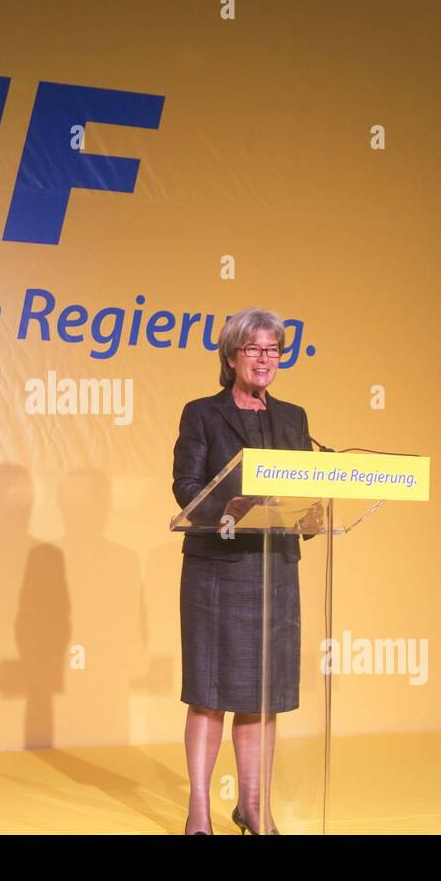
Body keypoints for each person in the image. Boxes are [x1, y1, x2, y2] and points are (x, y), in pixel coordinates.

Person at [171, 307, 321, 835]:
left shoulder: (293, 417)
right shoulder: (202, 414)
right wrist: (228, 507)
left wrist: (313, 511)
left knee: (262, 697)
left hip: (274, 570)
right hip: (218, 570)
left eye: (273, 349)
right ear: (231, 356)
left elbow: (301, 484)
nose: (265, 358)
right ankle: (197, 811)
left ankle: (254, 808)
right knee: (210, 694)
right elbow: (187, 488)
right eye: (254, 349)